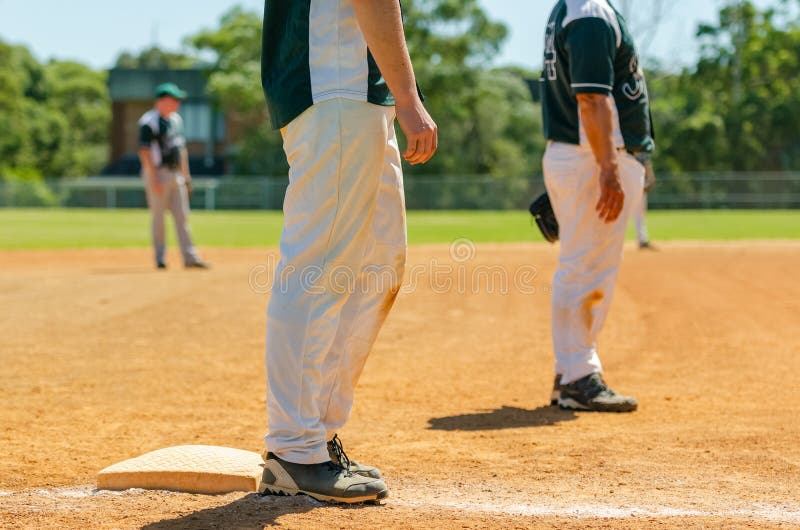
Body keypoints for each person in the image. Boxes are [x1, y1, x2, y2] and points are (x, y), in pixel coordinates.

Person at [258, 0, 437, 503]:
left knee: (379, 267)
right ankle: (294, 449)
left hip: (356, 92)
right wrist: (409, 98)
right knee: (318, 272)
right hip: (334, 84)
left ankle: (315, 436)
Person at [541, 0, 654, 412]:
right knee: (587, 269)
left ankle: (570, 371)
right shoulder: (589, 12)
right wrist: (608, 167)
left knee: (581, 265)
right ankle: (578, 377)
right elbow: (591, 98)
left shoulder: (573, 9)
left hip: (582, 154)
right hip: (593, 156)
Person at [138, 83, 208, 270]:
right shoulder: (149, 121)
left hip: (176, 173)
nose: (178, 103)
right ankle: (160, 258)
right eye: (174, 99)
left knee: (182, 216)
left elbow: (181, 150)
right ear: (162, 100)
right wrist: (154, 178)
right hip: (157, 173)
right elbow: (144, 152)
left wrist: (187, 177)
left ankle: (190, 258)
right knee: (158, 217)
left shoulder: (176, 120)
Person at [633, 156, 657, 250]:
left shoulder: (641, 157)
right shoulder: (641, 156)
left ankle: (643, 240)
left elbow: (650, 174)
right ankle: (642, 240)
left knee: (640, 216)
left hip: (640, 190)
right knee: (638, 216)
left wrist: (649, 182)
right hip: (631, 188)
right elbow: (650, 175)